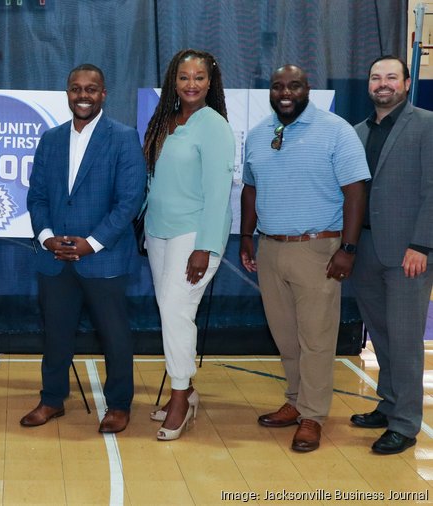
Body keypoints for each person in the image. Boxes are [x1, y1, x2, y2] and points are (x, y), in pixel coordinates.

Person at [240, 64, 368, 452]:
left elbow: (356, 193)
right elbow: (250, 189)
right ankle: (295, 401)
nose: (285, 92)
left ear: (307, 89)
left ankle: (312, 416)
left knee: (316, 338)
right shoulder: (260, 133)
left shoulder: (337, 131)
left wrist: (348, 249)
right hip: (270, 247)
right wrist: (246, 236)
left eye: (294, 85)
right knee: (285, 335)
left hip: (320, 250)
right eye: (278, 86)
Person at [20, 63, 146, 434]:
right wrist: (46, 237)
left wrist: (91, 244)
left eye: (91, 89)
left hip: (103, 258)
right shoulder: (51, 139)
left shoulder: (123, 138)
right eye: (76, 88)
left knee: (115, 336)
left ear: (104, 94)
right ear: (67, 93)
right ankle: (52, 399)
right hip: (54, 258)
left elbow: (129, 201)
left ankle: (119, 405)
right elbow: (37, 196)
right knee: (55, 333)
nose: (83, 95)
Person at [141, 49, 235, 441]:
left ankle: (180, 396)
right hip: (158, 231)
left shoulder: (214, 126)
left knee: (177, 311)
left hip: (194, 235)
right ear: (173, 81)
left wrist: (206, 246)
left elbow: (218, 193)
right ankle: (188, 390)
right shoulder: (165, 119)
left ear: (210, 82)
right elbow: (153, 179)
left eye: (199, 77)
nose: (191, 84)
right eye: (184, 77)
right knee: (170, 311)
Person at [350, 56, 433, 455]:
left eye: (390, 77)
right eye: (375, 77)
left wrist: (422, 244)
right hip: (364, 250)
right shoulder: (357, 131)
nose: (382, 84)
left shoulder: (427, 125)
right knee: (380, 335)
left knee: (404, 341)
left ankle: (405, 423)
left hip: (408, 253)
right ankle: (388, 404)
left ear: (405, 82)